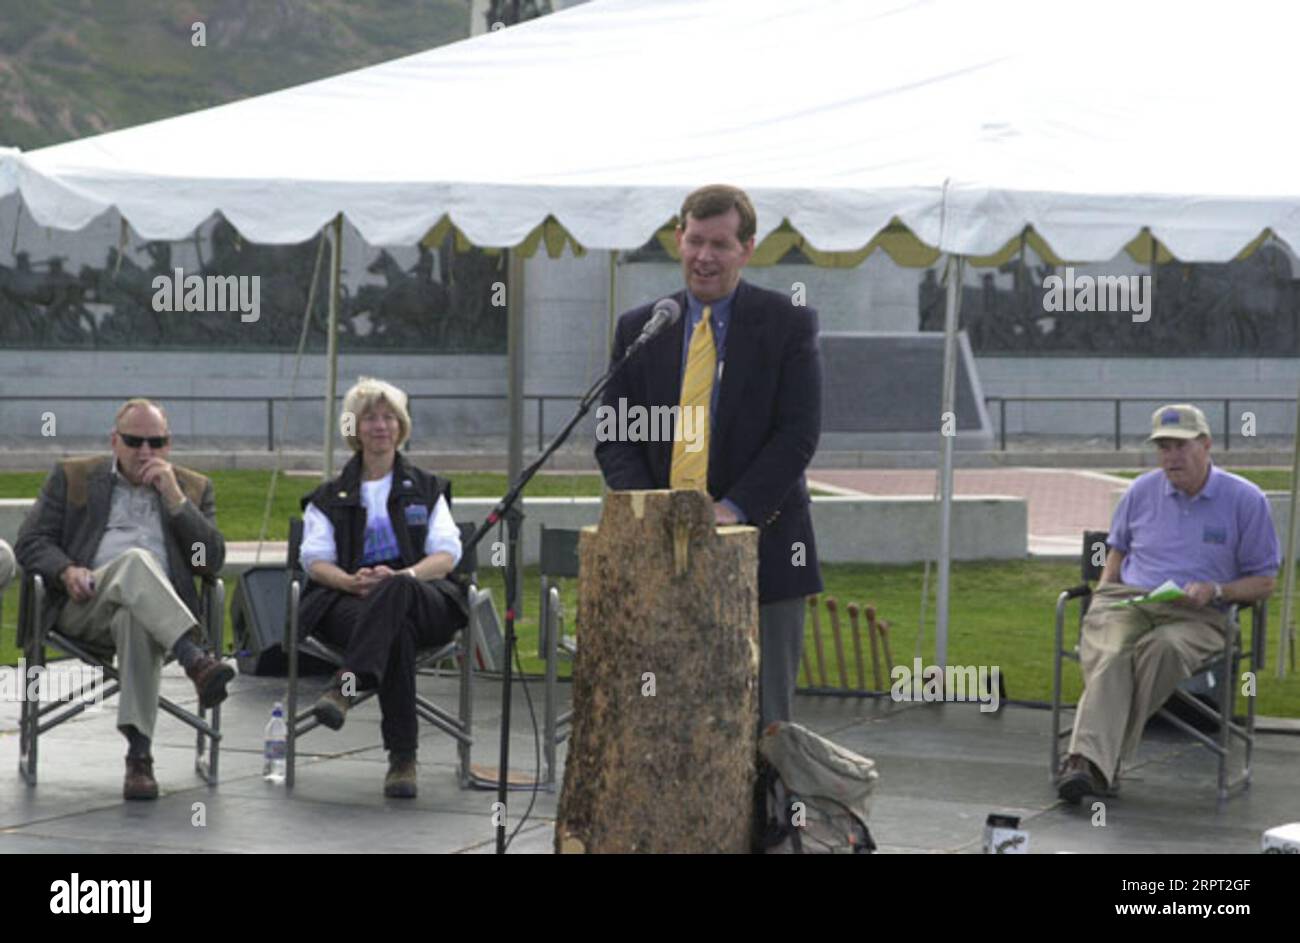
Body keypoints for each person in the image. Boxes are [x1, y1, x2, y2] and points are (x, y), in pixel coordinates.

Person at [595, 184, 823, 729]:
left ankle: (774, 815)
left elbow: (798, 434)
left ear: (747, 248)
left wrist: (732, 508)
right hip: (659, 551)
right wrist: (649, 505)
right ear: (678, 239)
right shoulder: (642, 327)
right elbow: (614, 432)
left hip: (765, 554)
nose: (705, 257)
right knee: (666, 716)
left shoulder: (788, 323)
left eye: (720, 244)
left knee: (765, 726)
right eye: (695, 241)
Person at [1057, 403, 1280, 803]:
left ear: (1206, 444)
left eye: (1180, 445)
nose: (1170, 457)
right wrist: (1102, 598)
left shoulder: (1246, 499)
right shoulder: (1140, 491)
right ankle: (1088, 762)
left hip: (1200, 615)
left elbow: (1265, 581)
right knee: (1112, 652)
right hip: (1129, 601)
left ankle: (1090, 762)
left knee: (1161, 650)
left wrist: (1217, 590)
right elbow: (1116, 553)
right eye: (1163, 447)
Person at [15, 398, 231, 800]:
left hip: (155, 616)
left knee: (137, 617)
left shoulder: (193, 488)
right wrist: (65, 570)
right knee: (135, 561)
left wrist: (176, 502)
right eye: (134, 441)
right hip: (85, 603)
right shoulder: (74, 476)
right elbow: (30, 542)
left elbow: (210, 563)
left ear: (169, 445)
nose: (146, 452)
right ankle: (194, 659)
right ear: (115, 441)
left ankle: (139, 759)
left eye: (157, 442)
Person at [299, 377, 468, 798]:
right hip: (350, 601)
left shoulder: (428, 489)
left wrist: (404, 577)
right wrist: (349, 581)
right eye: (370, 418)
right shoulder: (327, 497)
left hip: (424, 595)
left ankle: (345, 686)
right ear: (354, 428)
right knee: (397, 635)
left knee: (396, 591)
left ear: (401, 426)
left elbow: (446, 555)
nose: (381, 426)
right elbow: (314, 559)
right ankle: (402, 761)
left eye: (389, 417)